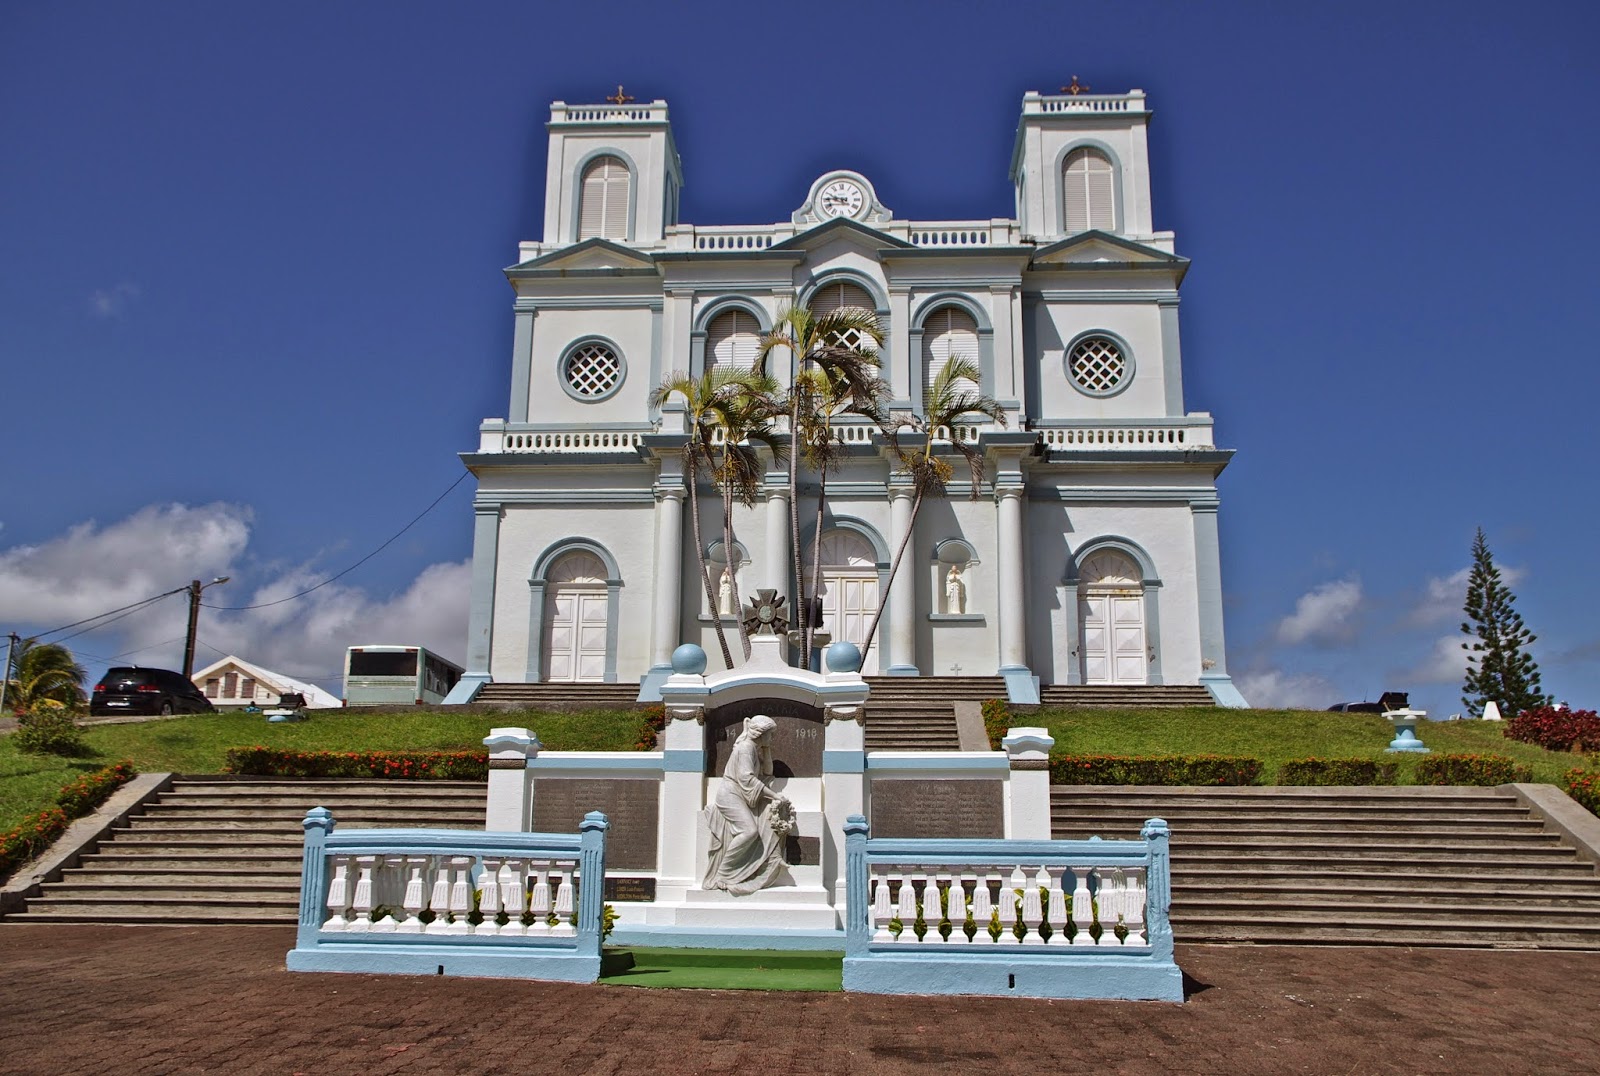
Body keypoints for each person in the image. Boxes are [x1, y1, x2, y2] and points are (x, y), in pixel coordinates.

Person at [703, 715, 790, 895]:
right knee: (749, 831)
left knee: (767, 816)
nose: (772, 738)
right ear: (761, 733)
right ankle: (722, 874)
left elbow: (767, 771)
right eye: (770, 735)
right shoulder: (745, 748)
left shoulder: (752, 747)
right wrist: (774, 795)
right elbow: (747, 778)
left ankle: (771, 858)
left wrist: (767, 748)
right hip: (730, 795)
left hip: (740, 794)